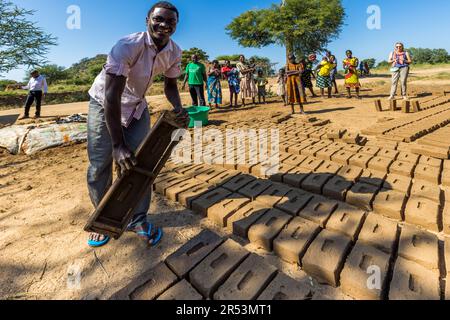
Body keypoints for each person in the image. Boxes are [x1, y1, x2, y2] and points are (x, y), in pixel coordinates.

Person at [86, 1, 189, 248]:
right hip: (104, 105)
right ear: (147, 20)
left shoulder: (174, 51)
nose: (164, 25)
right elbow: (112, 95)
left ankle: (138, 218)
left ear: (176, 25)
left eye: (170, 22)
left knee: (141, 163)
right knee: (101, 163)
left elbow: (170, 86)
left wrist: (178, 108)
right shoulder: (127, 46)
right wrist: (118, 144)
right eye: (158, 19)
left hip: (136, 107)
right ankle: (103, 219)